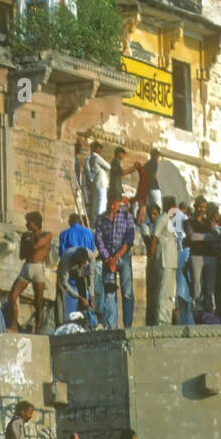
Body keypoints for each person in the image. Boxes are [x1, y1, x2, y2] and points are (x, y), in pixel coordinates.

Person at [95, 195, 135, 329]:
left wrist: (115, 257)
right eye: (110, 203)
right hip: (108, 258)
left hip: (122, 255)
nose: (112, 206)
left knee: (127, 292)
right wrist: (108, 258)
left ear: (118, 203)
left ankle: (127, 325)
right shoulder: (101, 219)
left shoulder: (126, 216)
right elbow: (99, 241)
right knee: (110, 292)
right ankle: (111, 326)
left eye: (115, 203)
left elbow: (129, 239)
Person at [7, 212, 52, 333]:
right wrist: (25, 241)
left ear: (35, 223)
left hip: (38, 268)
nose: (26, 224)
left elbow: (36, 246)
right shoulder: (26, 236)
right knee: (12, 296)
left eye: (29, 222)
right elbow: (22, 255)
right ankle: (14, 326)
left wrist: (30, 239)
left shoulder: (47, 235)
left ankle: (38, 328)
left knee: (39, 301)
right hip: (27, 267)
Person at [151, 197, 181, 325]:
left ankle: (167, 321)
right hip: (164, 260)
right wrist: (152, 259)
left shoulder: (172, 221)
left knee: (169, 293)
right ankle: (162, 321)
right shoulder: (162, 218)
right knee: (163, 293)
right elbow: (154, 238)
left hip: (171, 261)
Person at [84, 141, 111, 225]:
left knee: (95, 203)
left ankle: (93, 222)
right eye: (100, 149)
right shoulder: (96, 157)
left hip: (95, 183)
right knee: (102, 202)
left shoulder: (89, 158)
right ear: (97, 148)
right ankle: (100, 222)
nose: (101, 151)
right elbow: (108, 166)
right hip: (101, 182)